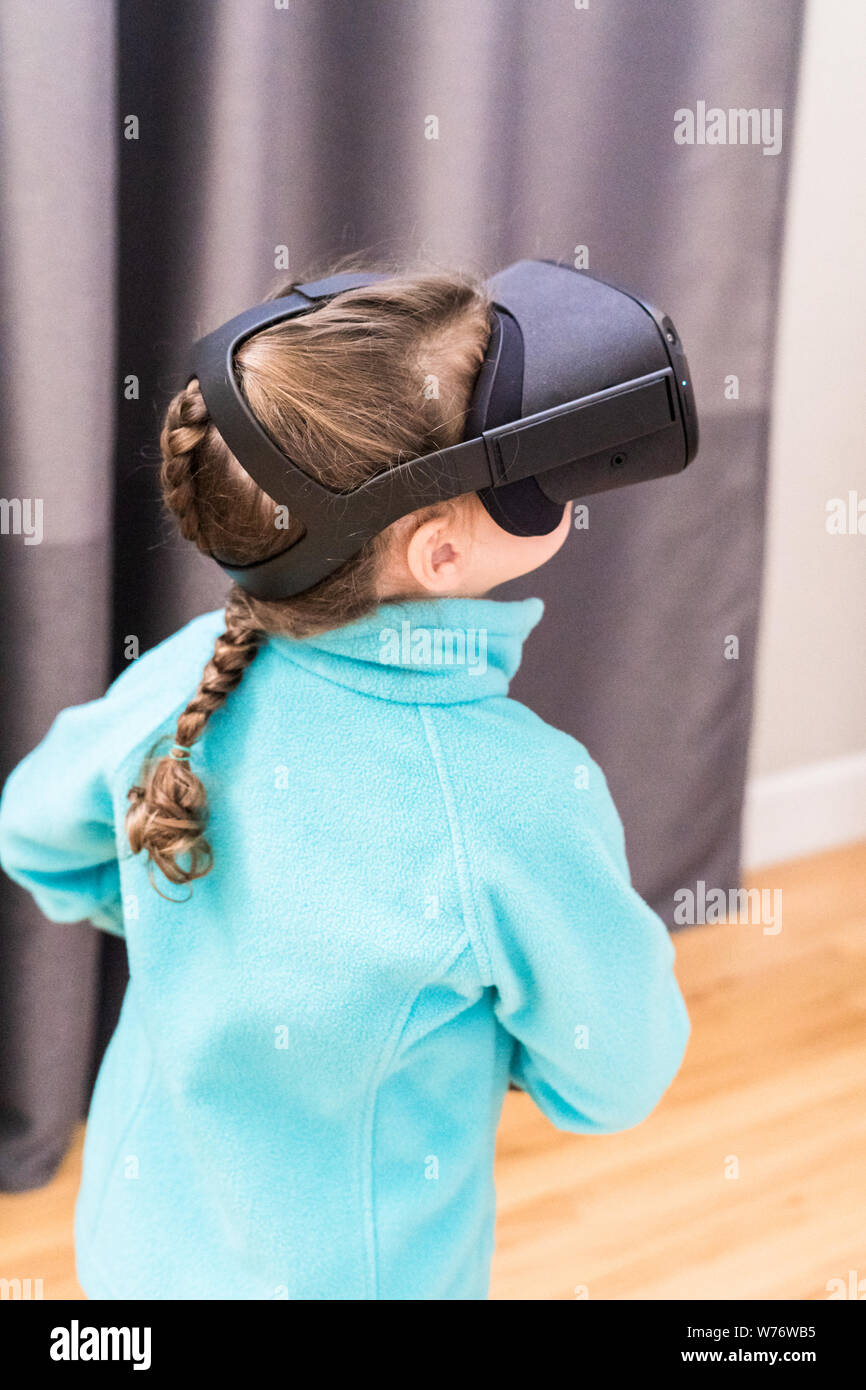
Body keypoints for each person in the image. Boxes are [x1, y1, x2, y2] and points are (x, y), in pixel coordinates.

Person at [0, 266, 690, 1300]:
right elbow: (614, 1077)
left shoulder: (189, 667)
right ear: (440, 551)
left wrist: (182, 924)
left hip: (137, 1254)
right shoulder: (519, 797)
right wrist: (481, 1041)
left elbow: (33, 832)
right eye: (533, 476)